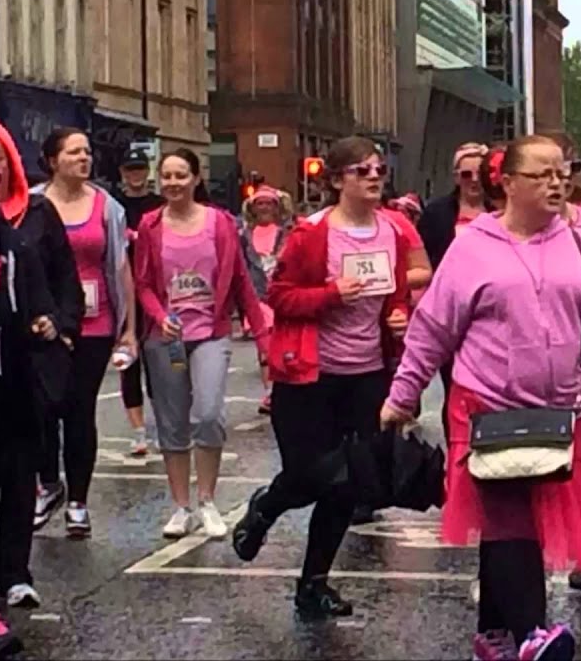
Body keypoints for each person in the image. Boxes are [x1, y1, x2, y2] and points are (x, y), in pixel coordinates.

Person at [379, 135, 581, 659]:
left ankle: (492, 634)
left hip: (557, 414)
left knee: (514, 521)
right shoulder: (472, 248)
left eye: (562, 172)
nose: (556, 183)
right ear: (508, 183)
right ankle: (535, 631)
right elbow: (432, 329)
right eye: (541, 174)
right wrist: (404, 393)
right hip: (484, 411)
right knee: (512, 516)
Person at [231, 136, 411, 618]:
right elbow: (280, 296)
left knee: (348, 483)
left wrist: (398, 315)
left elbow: (395, 294)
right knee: (313, 474)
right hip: (309, 375)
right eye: (361, 171)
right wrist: (330, 295)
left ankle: (314, 584)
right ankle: (266, 506)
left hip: (367, 373)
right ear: (336, 180)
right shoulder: (313, 234)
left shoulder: (391, 231)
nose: (374, 177)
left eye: (378, 169)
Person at [134, 149, 270, 539]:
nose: (173, 183)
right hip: (165, 339)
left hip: (211, 332)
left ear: (195, 179)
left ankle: (208, 500)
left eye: (181, 175)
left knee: (208, 414)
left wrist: (262, 335)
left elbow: (242, 281)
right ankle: (181, 507)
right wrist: (160, 317)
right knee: (172, 422)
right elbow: (142, 282)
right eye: (167, 176)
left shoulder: (221, 223)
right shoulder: (150, 225)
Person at [32, 128, 138, 539]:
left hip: (95, 322)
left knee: (79, 410)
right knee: (42, 408)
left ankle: (78, 501)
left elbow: (120, 267)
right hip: (47, 323)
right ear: (53, 160)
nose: (84, 158)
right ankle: (48, 483)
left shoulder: (107, 207)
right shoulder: (34, 205)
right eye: (74, 152)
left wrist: (128, 328)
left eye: (87, 152)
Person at [0, 123, 83, 604]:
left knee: (18, 474)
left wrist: (60, 326)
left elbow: (61, 280)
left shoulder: (30, 216)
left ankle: (14, 574)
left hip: (21, 367)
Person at [0, 160, 60, 656]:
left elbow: (39, 285)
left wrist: (48, 320)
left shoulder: (16, 226)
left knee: (18, 475)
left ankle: (13, 574)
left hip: (15, 375)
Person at [415, 142, 494, 446]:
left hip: (493, 316)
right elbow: (421, 260)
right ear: (455, 177)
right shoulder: (436, 214)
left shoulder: (503, 210)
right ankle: (459, 452)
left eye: (480, 173)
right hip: (451, 317)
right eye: (466, 174)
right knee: (455, 388)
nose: (473, 180)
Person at [114, 148, 168, 456]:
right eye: (129, 169)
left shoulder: (159, 206)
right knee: (127, 364)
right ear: (122, 172)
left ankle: (163, 425)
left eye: (139, 169)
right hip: (123, 291)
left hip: (156, 292)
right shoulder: (114, 207)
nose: (134, 174)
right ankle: (138, 431)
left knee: (161, 363)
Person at [239, 184, 293, 415]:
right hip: (257, 296)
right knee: (264, 346)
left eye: (268, 203)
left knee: (282, 346)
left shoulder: (286, 232)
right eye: (259, 204)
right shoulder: (244, 235)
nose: (264, 208)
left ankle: (283, 388)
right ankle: (270, 391)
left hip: (281, 294)